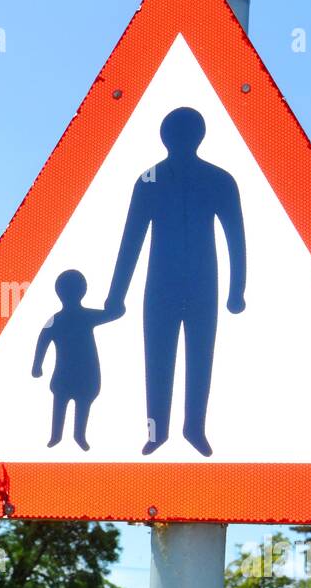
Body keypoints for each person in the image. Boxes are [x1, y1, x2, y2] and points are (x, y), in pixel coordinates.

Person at [103, 107, 246, 456]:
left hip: (202, 282)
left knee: (200, 354)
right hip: (160, 284)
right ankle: (157, 430)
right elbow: (131, 240)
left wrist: (236, 290)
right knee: (158, 354)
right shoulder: (149, 180)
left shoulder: (219, 180)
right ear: (165, 138)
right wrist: (116, 294)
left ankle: (194, 427)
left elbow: (235, 239)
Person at [32, 269, 114, 450]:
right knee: (61, 401)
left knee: (82, 401)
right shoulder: (57, 319)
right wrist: (37, 365)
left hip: (85, 371)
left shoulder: (86, 316)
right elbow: (42, 341)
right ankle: (56, 436)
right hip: (66, 371)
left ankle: (79, 436)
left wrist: (115, 305)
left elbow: (113, 314)